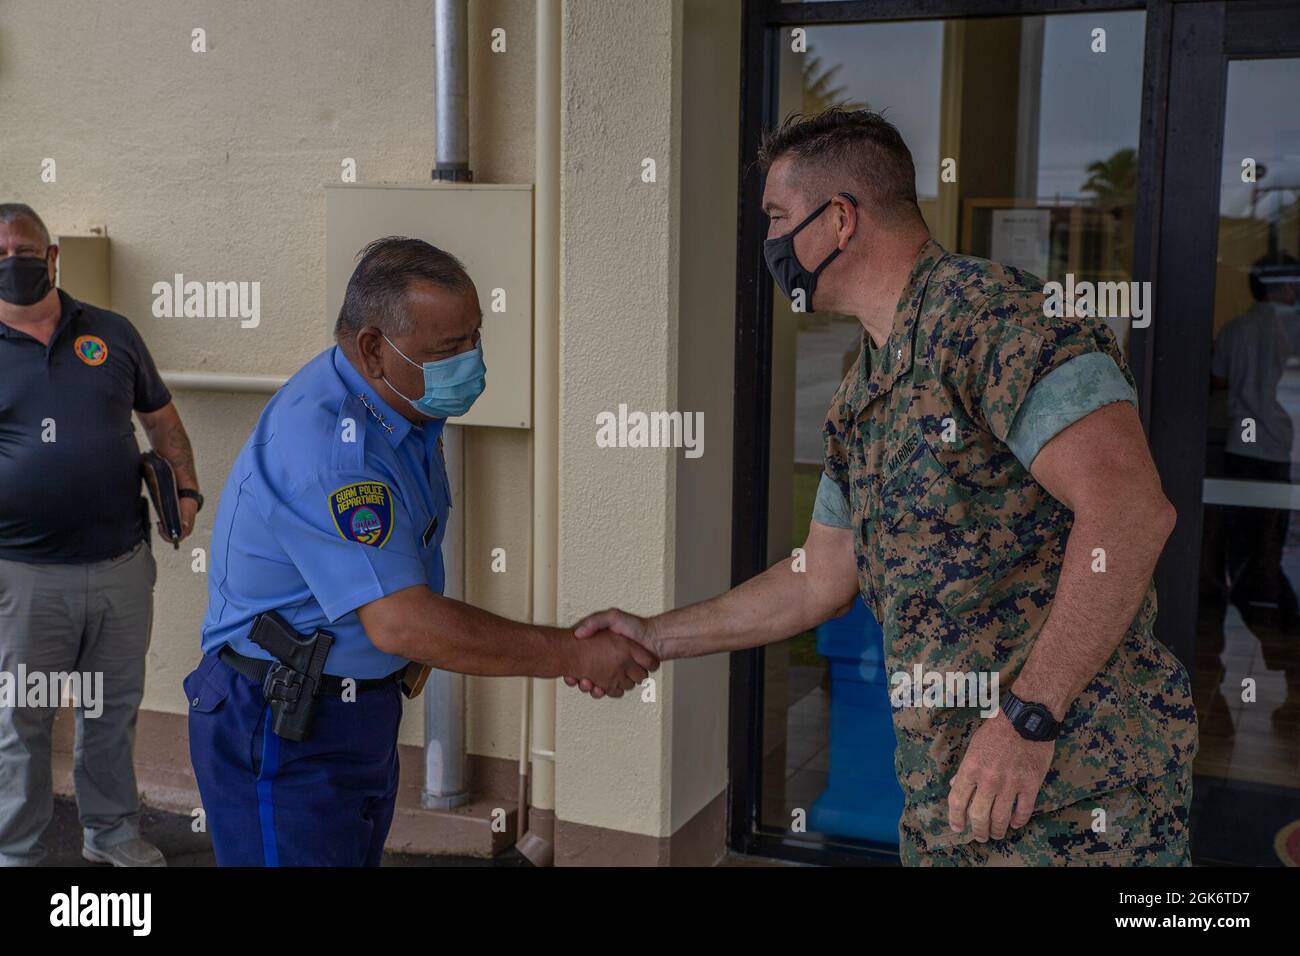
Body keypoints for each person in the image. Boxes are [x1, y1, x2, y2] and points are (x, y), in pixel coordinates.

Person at [571, 109, 1199, 866]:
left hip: (1073, 794)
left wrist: (1029, 716)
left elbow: (1130, 513)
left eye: (776, 218)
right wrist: (655, 635)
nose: (768, 244)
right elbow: (817, 581)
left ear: (839, 220)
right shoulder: (865, 385)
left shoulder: (995, 321)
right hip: (952, 800)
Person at [186, 236, 657, 866]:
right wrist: (573, 654)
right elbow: (402, 622)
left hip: (351, 713)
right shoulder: (332, 449)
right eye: (448, 349)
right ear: (375, 348)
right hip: (280, 728)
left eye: (474, 338)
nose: (472, 361)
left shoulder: (396, 407)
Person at [0, 202, 200, 867]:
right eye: (1, 257)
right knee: (21, 723)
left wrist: (187, 488)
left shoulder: (112, 334)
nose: (14, 265)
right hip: (22, 577)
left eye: (26, 253)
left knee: (111, 713)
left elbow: (163, 424)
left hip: (121, 564)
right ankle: (17, 850)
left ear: (53, 257)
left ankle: (111, 834)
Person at [1211, 252, 1300, 725]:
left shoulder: (1236, 329)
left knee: (1246, 546)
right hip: (1282, 450)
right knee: (1267, 545)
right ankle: (1281, 628)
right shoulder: (1293, 329)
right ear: (1283, 288)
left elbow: (1218, 378)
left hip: (1240, 449)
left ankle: (1271, 620)